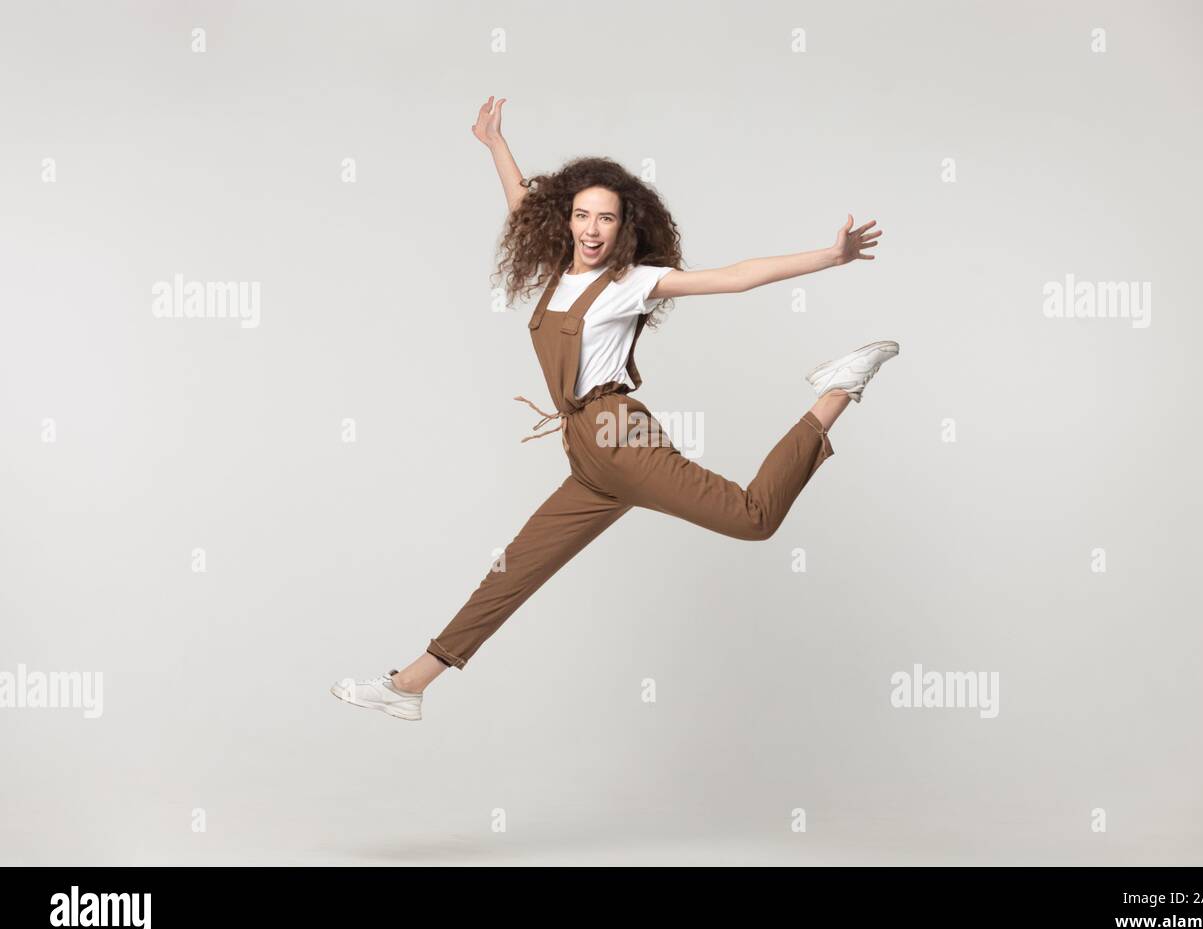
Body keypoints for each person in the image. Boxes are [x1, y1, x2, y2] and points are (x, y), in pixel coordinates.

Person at [331, 95, 898, 721]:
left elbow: (735, 276)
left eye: (605, 218)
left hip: (618, 437)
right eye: (581, 216)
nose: (592, 229)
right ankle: (410, 685)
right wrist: (495, 144)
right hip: (586, 452)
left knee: (752, 517)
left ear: (625, 224)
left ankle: (839, 390)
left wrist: (831, 255)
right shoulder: (556, 272)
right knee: (515, 569)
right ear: (566, 219)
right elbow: (522, 205)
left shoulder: (631, 281)